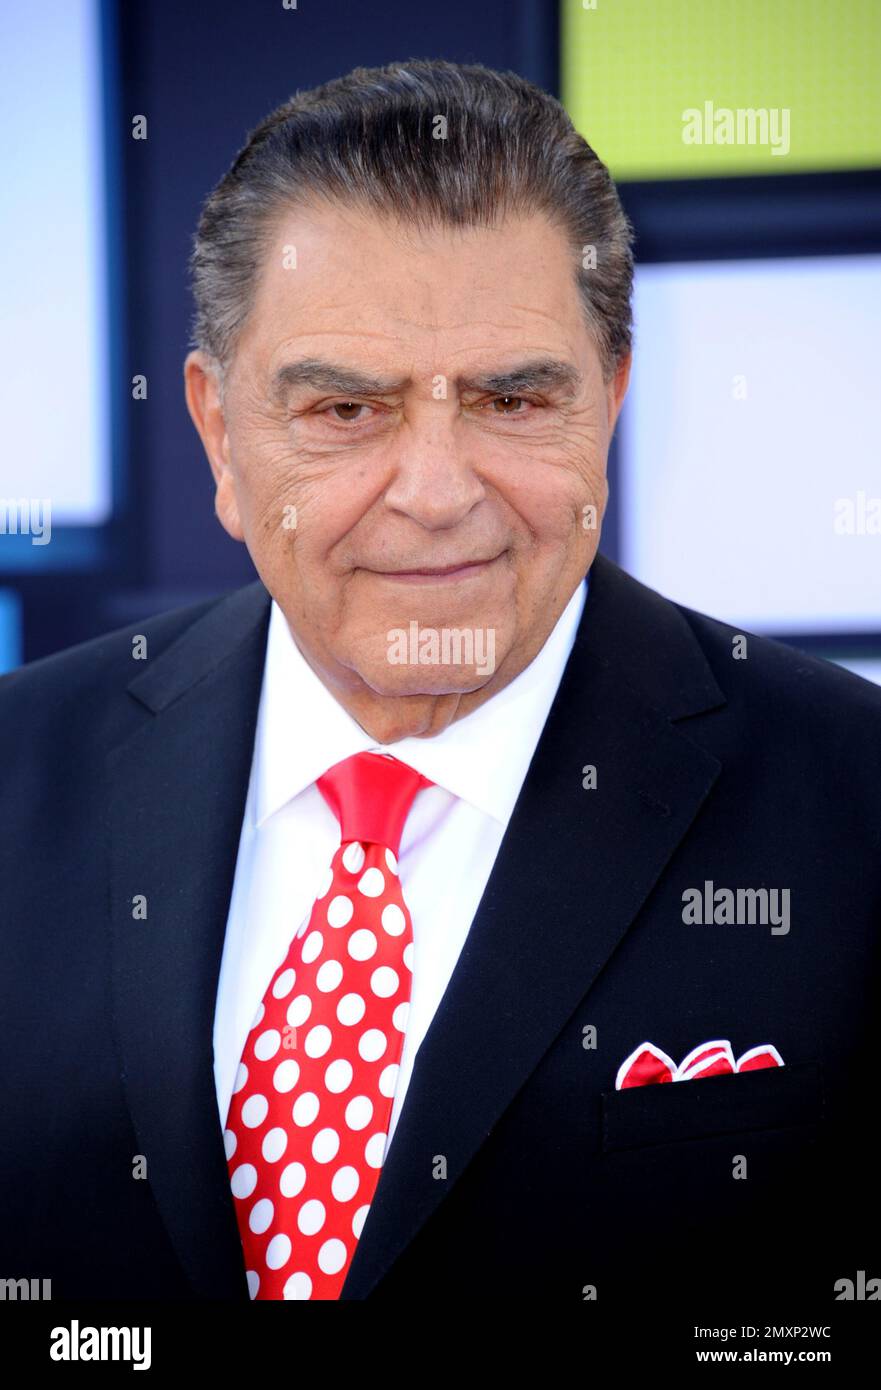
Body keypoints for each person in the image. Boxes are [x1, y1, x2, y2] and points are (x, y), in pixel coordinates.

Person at [1, 59, 878, 1305]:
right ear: (220, 436)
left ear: (610, 402)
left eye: (511, 398)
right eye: (345, 410)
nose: (435, 491)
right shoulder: (16, 775)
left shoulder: (855, 801)